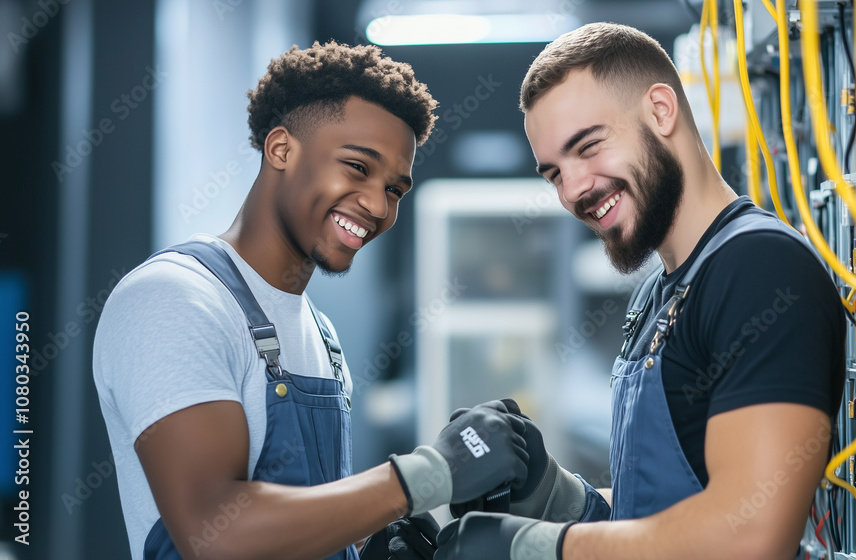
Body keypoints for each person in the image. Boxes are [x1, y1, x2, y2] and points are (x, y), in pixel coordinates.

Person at [93, 40, 530, 560]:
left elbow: (295, 515)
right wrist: (428, 475)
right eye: (356, 167)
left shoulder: (321, 333)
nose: (375, 205)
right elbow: (213, 531)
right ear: (281, 149)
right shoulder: (175, 300)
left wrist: (367, 542)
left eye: (395, 190)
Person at [434, 22, 846, 560]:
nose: (574, 189)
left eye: (589, 147)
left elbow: (749, 534)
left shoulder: (758, 267)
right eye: (554, 172)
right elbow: (650, 518)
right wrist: (550, 493)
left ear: (660, 110)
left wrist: (539, 547)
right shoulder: (654, 295)